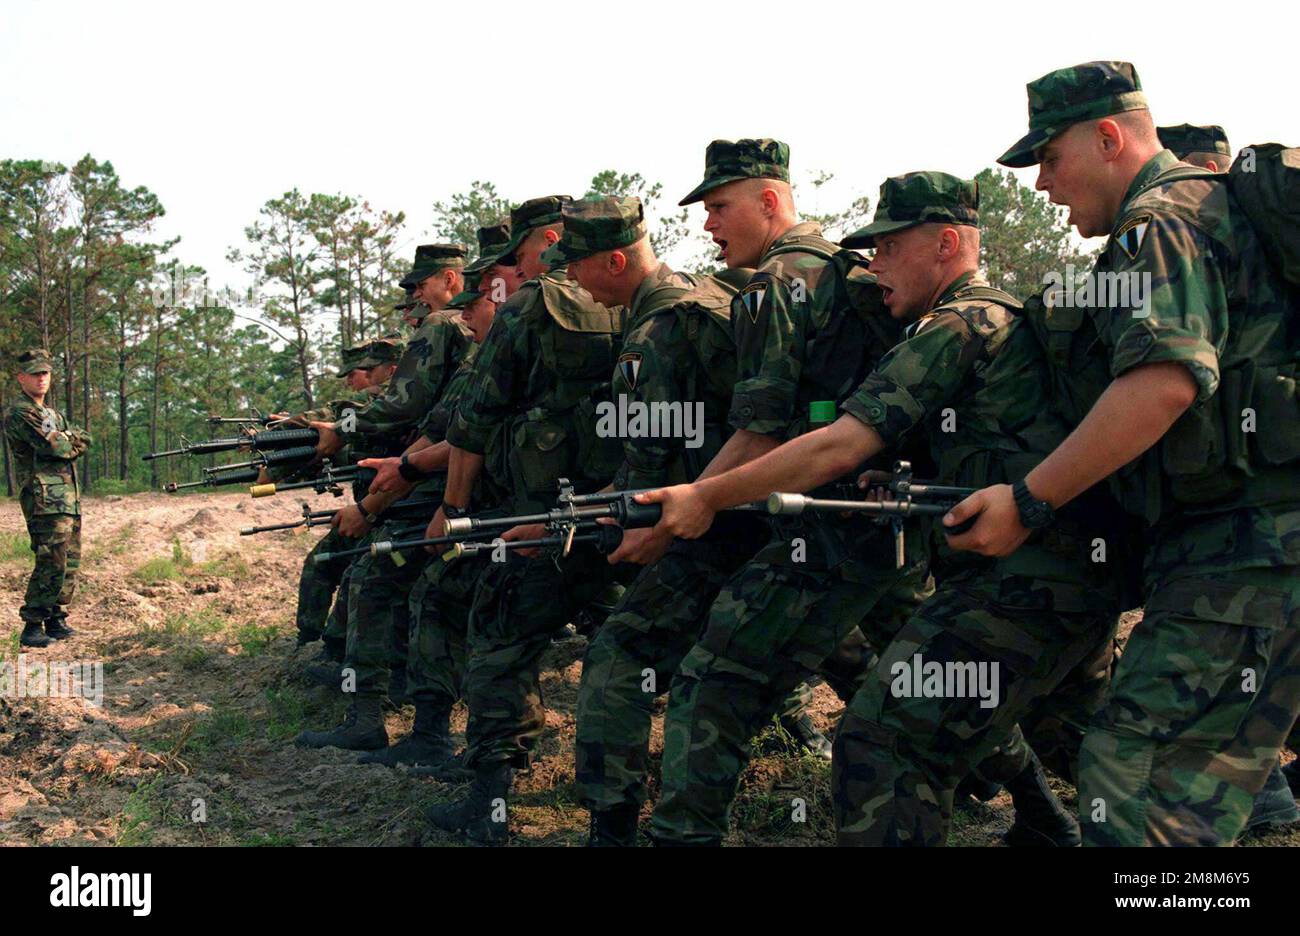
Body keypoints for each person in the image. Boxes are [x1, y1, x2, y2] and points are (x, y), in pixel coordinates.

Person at [950, 60, 1300, 846]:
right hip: (1254, 551)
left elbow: (1163, 382)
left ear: (1108, 137)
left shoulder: (1161, 222)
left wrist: (1030, 499)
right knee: (1177, 793)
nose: (1041, 183)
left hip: (1249, 552)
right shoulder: (1208, 211)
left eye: (1049, 157)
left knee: (1135, 784)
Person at [4, 348, 91, 649]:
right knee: (50, 560)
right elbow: (57, 448)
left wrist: (71, 438)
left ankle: (56, 618)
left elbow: (78, 439)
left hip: (67, 497)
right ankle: (32, 624)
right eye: (35, 374)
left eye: (45, 373)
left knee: (69, 560)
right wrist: (70, 439)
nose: (41, 379)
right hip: (44, 499)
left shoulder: (52, 414)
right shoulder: (21, 413)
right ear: (21, 378)